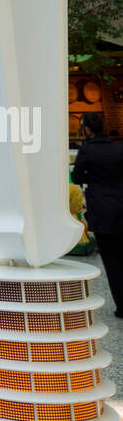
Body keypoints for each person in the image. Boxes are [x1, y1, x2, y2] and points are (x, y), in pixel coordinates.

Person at [73, 113, 123, 318]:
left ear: (86, 129)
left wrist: (92, 177)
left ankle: (122, 304)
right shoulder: (119, 148)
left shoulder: (86, 150)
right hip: (122, 205)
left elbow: (76, 177)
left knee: (112, 261)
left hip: (102, 210)